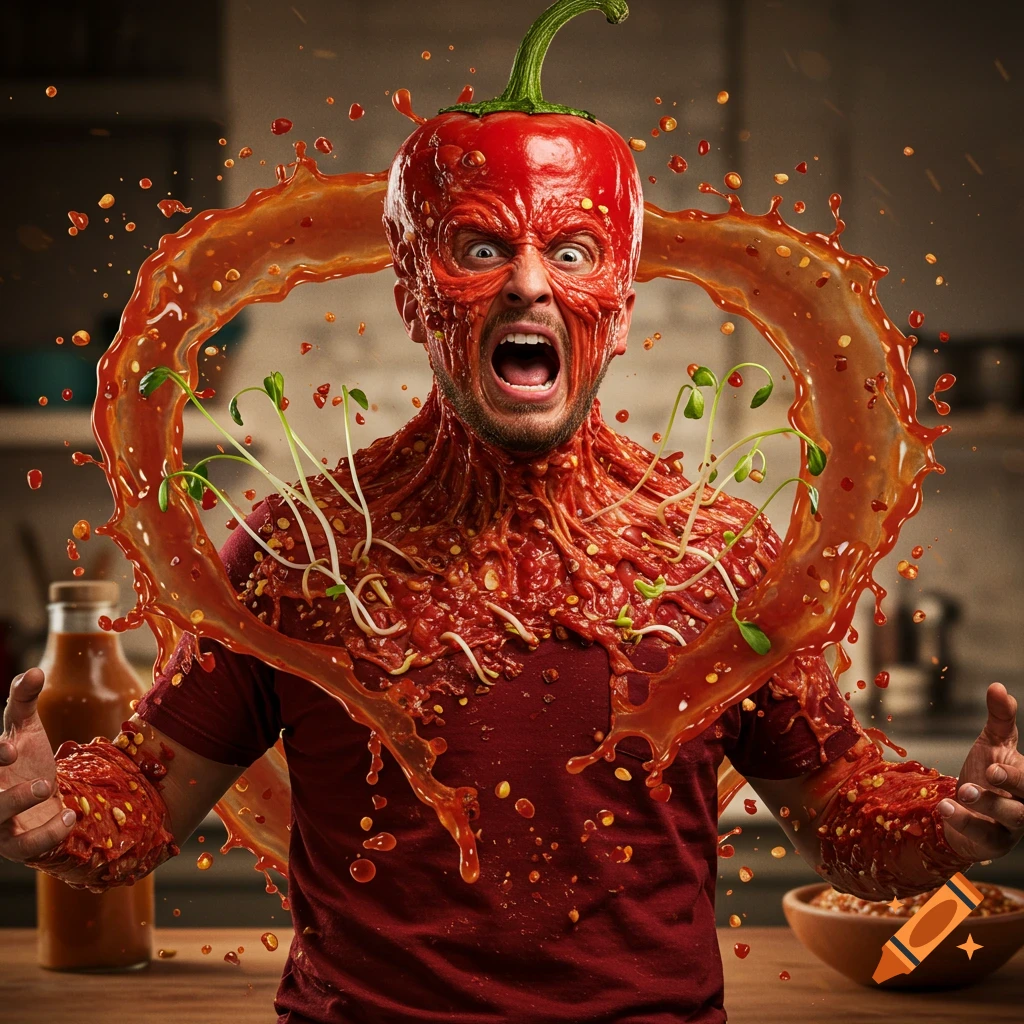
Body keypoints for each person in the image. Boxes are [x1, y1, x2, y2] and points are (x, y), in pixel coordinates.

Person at [3, 2, 1023, 1021]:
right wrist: (59, 813)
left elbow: (843, 816)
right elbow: (146, 797)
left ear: (618, 308)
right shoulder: (301, 552)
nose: (528, 283)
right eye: (481, 247)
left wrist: (955, 823)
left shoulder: (716, 560)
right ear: (411, 292)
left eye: (572, 253)